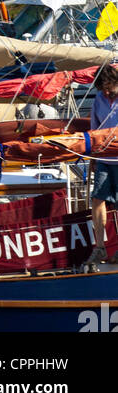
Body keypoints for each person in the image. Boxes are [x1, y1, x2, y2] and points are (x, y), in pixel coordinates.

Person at [87, 63, 118, 266]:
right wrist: (92, 159)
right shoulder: (99, 99)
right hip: (104, 158)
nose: (106, 92)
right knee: (97, 200)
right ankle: (100, 247)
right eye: (103, 89)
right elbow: (94, 130)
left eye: (109, 88)